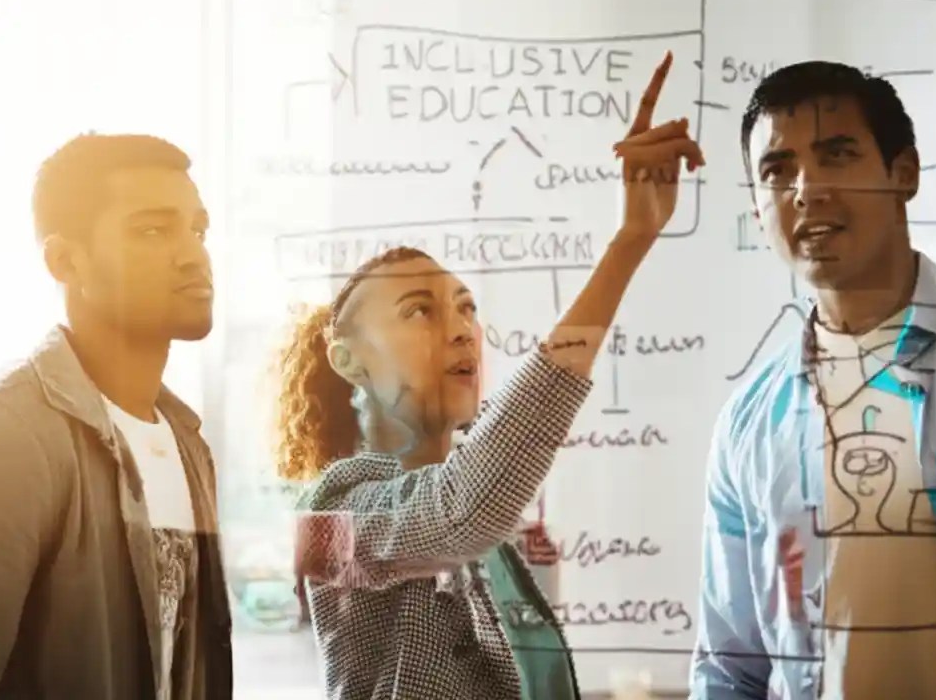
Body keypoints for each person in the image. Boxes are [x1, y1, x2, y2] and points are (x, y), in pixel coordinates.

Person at [277, 52, 705, 700]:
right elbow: (456, 514)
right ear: (347, 360)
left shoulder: (498, 541)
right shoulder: (327, 515)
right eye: (418, 310)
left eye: (465, 307)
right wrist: (627, 244)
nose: (458, 328)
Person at [0, 133, 232, 699]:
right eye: (152, 230)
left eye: (196, 230)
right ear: (65, 260)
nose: (192, 253)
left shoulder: (184, 442)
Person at [691, 61, 936, 699]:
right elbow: (729, 668)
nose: (807, 189)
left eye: (838, 155)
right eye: (777, 170)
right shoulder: (751, 420)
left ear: (902, 174)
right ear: (756, 204)